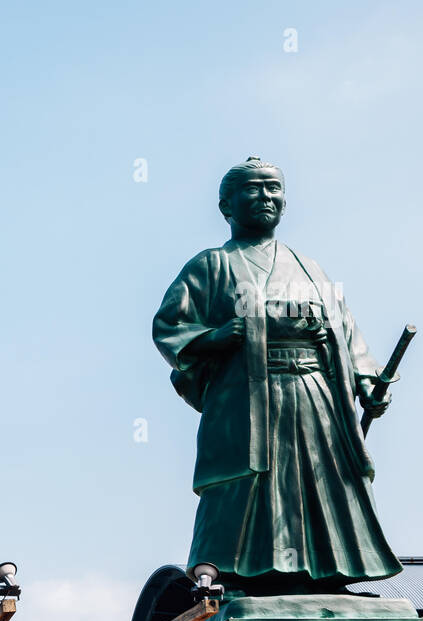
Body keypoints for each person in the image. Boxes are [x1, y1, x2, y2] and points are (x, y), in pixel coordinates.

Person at [152, 157, 400, 594]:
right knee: (246, 481)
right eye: (253, 189)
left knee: (321, 477)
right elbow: (170, 327)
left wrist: (366, 381)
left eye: (273, 189)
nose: (265, 197)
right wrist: (218, 336)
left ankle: (327, 575)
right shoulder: (210, 265)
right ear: (226, 205)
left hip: (314, 393)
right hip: (245, 396)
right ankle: (233, 576)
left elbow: (345, 332)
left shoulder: (310, 268)